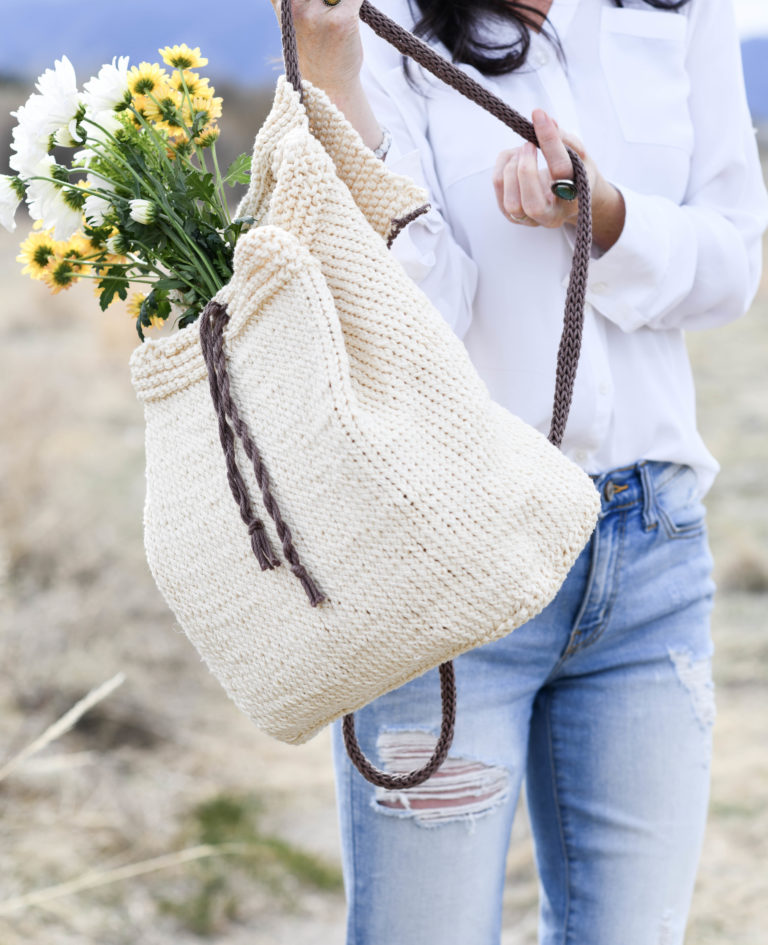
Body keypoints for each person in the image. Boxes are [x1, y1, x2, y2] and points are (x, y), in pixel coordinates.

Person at [269, 1, 768, 942]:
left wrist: (605, 217)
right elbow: (410, 319)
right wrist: (331, 75)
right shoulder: (376, 21)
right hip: (449, 561)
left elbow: (733, 260)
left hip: (650, 556)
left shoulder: (681, 8)